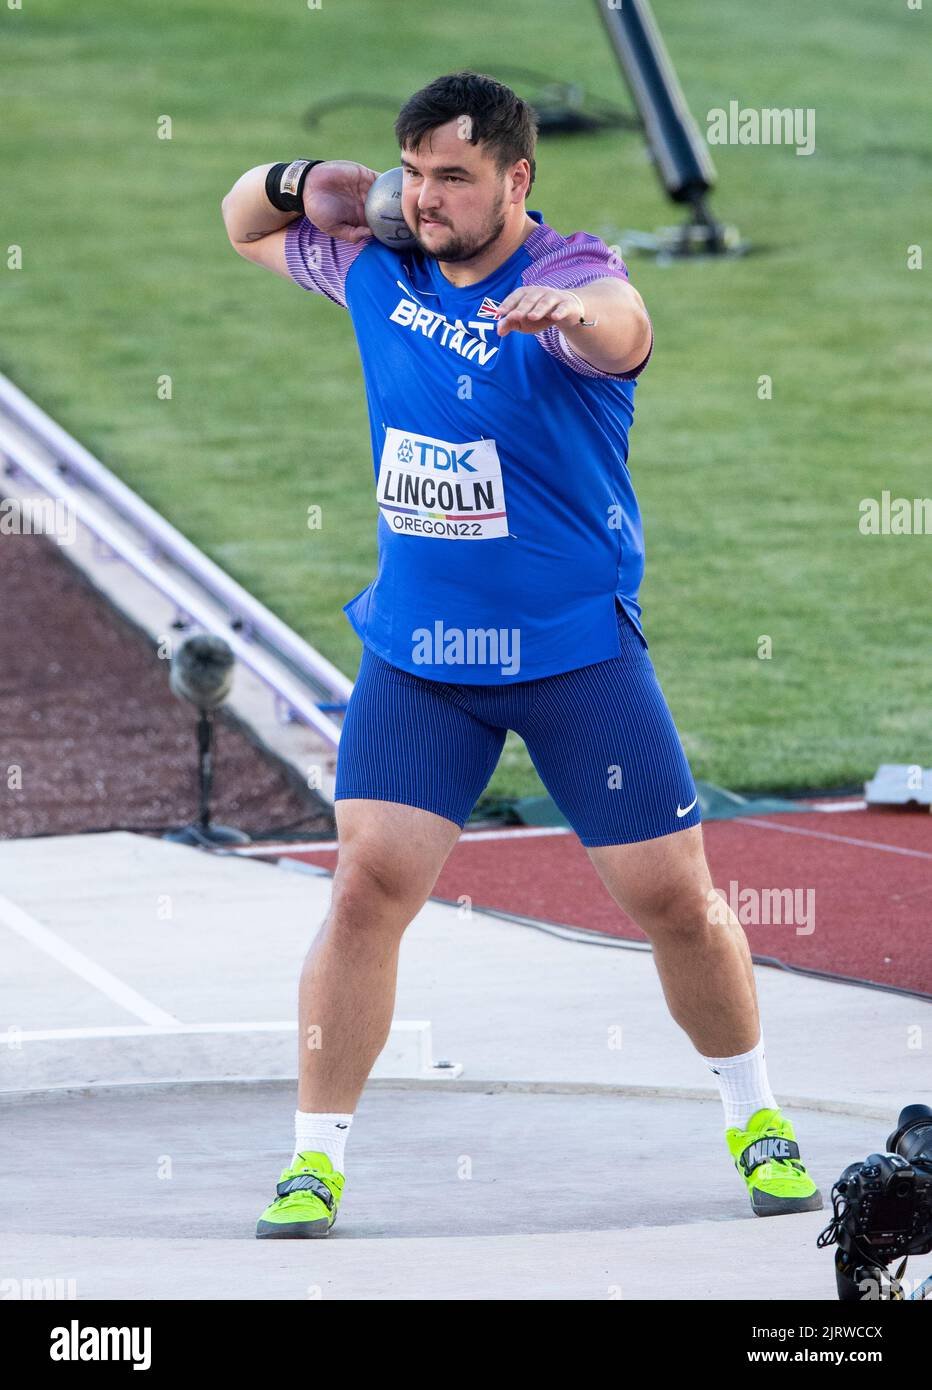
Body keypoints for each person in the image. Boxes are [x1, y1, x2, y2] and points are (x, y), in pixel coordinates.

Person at [221, 70, 822, 1239]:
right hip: (423, 658)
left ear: (517, 177)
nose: (427, 198)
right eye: (413, 174)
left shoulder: (568, 277)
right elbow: (245, 220)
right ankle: (312, 1162)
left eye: (454, 177)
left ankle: (756, 1119)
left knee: (676, 903)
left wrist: (569, 320)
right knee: (363, 891)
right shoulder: (376, 266)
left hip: (569, 654)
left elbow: (623, 321)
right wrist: (303, 182)